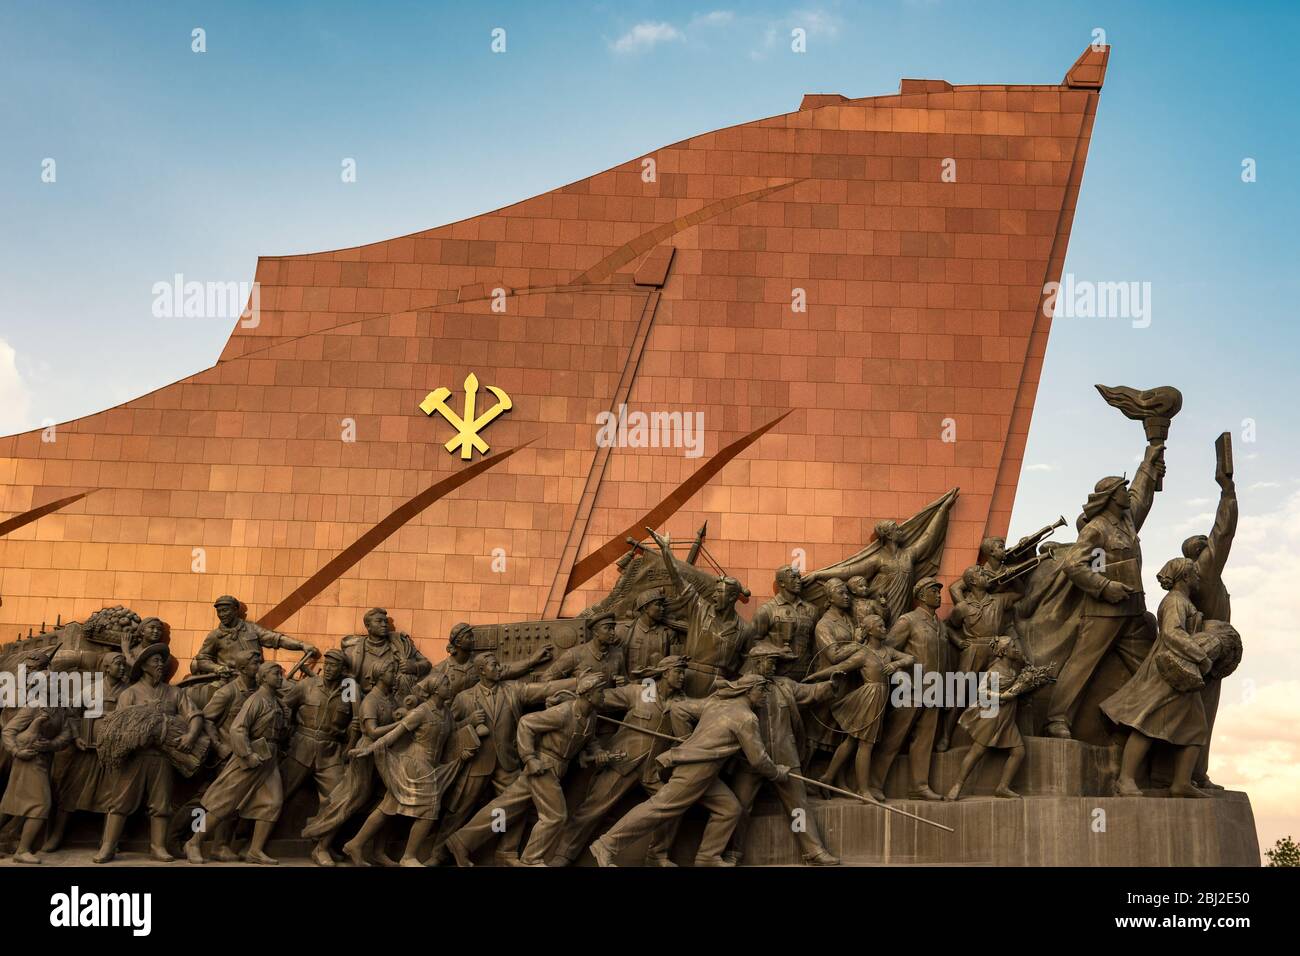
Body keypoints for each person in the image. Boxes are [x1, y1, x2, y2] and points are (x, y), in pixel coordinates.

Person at [589, 674, 789, 868]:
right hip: (696, 769)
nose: (765, 694)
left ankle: (707, 857)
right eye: (761, 689)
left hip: (705, 772)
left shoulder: (716, 703)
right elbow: (759, 760)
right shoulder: (746, 718)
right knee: (658, 807)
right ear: (748, 690)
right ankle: (607, 844)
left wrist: (689, 743)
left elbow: (679, 709)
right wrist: (778, 773)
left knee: (729, 809)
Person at [1044, 444, 1164, 739]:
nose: (1127, 494)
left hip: (1133, 608)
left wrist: (1150, 458)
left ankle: (1150, 719)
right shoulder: (1096, 528)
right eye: (1122, 490)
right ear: (1111, 497)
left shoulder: (1126, 521)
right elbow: (1074, 565)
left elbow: (1141, 494)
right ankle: (1056, 719)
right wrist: (1104, 586)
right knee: (1084, 663)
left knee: (1150, 667)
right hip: (1105, 609)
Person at [446, 674, 618, 867]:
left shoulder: (591, 716)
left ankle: (461, 841)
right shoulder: (562, 712)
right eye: (600, 691)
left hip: (558, 768)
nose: (604, 695)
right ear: (588, 694)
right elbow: (527, 723)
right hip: (543, 767)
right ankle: (531, 859)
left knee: (505, 808)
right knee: (555, 816)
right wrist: (529, 758)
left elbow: (590, 740)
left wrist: (598, 753)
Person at [426, 653, 577, 865]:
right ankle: (439, 854)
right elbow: (447, 730)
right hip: (476, 764)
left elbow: (543, 690)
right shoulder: (464, 698)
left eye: (498, 665)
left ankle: (506, 852)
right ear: (481, 671)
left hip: (507, 763)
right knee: (458, 810)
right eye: (493, 665)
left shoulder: (512, 689)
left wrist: (578, 682)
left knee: (512, 810)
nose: (499, 668)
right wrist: (468, 721)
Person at [550, 655, 690, 866]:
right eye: (678, 671)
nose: (682, 676)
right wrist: (568, 699)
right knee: (592, 810)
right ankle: (563, 856)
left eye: (683, 672)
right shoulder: (637, 692)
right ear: (665, 673)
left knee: (673, 807)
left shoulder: (683, 703)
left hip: (654, 769)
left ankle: (657, 855)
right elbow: (599, 699)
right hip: (622, 762)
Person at [1102, 558, 1214, 798]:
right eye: (1194, 574)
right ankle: (1125, 780)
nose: (1198, 578)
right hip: (1169, 669)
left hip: (1186, 674)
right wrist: (1201, 656)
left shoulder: (1185, 602)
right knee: (1149, 721)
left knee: (1196, 728)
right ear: (1184, 577)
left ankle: (1181, 783)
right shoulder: (1175, 601)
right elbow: (1173, 633)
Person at [724, 642, 841, 866]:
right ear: (757, 662)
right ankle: (732, 852)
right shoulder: (742, 687)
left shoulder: (784, 685)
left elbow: (810, 692)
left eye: (775, 661)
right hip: (751, 758)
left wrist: (830, 684)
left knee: (798, 806)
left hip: (786, 757)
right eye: (770, 661)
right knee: (740, 807)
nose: (773, 666)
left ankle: (813, 851)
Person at [95, 643, 204, 863]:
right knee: (120, 803)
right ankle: (108, 847)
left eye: (162, 661)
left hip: (163, 758)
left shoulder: (175, 692)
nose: (160, 665)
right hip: (135, 758)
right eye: (155, 661)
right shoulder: (130, 693)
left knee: (161, 804)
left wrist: (190, 736)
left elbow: (195, 715)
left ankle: (158, 847)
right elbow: (118, 725)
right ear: (144, 665)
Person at [344, 675, 461, 867]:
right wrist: (368, 749)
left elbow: (454, 737)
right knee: (430, 810)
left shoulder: (446, 712)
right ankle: (409, 857)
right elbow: (393, 735)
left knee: (389, 806)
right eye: (446, 684)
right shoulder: (421, 712)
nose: (450, 686)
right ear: (436, 689)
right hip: (415, 765)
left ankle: (355, 844)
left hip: (430, 765)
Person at [184, 662, 290, 865]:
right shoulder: (256, 700)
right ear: (263, 677)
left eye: (281, 674)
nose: (280, 677)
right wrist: (247, 754)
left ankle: (255, 850)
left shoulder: (275, 701)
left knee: (273, 802)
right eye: (276, 674)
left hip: (269, 759)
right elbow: (238, 729)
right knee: (224, 802)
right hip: (250, 758)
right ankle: (194, 842)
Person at [302, 656, 402, 866]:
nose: (395, 675)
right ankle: (321, 847)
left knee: (385, 803)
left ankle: (378, 851)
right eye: (391, 672)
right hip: (365, 758)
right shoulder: (371, 700)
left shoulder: (389, 699)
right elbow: (371, 731)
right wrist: (402, 724)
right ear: (380, 675)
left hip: (384, 759)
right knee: (349, 802)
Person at [804, 613, 913, 799]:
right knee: (865, 743)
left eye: (883, 625)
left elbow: (910, 658)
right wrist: (814, 677)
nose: (884, 628)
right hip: (868, 698)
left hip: (880, 697)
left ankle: (828, 777)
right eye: (879, 626)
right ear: (869, 631)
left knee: (852, 740)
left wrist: (896, 665)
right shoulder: (863, 654)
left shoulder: (888, 651)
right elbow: (839, 668)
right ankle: (863, 790)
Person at [646, 528, 754, 696]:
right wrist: (666, 550)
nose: (714, 595)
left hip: (719, 687)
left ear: (733, 597)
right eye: (715, 591)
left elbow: (747, 665)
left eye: (720, 592)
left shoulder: (744, 630)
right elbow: (678, 579)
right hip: (690, 678)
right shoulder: (699, 608)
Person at [41, 651, 128, 853]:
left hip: (114, 754)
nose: (122, 668)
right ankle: (56, 836)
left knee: (114, 796)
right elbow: (72, 715)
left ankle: (108, 841)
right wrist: (76, 736)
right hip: (86, 752)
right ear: (106, 668)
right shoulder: (92, 690)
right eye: (118, 664)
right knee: (71, 791)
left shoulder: (128, 693)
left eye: (124, 665)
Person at [869, 578, 948, 800]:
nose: (939, 595)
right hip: (911, 690)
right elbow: (887, 651)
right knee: (894, 738)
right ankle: (874, 784)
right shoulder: (908, 620)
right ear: (922, 596)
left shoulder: (940, 625)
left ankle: (919, 786)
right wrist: (901, 680)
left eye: (939, 591)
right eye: (934, 591)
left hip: (935, 690)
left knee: (924, 741)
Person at [1183, 460, 1236, 789]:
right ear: (1200, 552)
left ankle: (1194, 773)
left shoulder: (1200, 577)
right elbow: (1223, 532)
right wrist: (1227, 491)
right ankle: (1193, 775)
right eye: (1206, 544)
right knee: (1199, 715)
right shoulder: (1205, 570)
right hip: (1207, 649)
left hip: (1207, 650)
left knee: (1200, 715)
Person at [278, 648, 358, 865]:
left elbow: (356, 719)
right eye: (328, 665)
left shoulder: (348, 689)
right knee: (276, 793)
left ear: (343, 670)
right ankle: (245, 839)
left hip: (331, 753)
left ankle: (322, 847)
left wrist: (349, 746)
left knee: (340, 800)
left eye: (335, 666)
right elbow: (284, 707)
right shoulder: (307, 686)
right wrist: (285, 735)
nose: (330, 669)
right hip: (300, 748)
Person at [938, 566, 1022, 752]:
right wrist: (958, 641)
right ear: (973, 581)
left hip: (996, 650)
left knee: (994, 690)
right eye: (981, 573)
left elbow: (1020, 593)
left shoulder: (999, 600)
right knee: (961, 691)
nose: (987, 575)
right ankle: (945, 735)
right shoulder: (962, 607)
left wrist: (1010, 575)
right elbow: (947, 626)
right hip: (973, 649)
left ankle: (987, 737)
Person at [945, 635, 1028, 800]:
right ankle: (957, 785)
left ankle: (1003, 787)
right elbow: (981, 693)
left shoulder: (1013, 669)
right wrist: (1002, 696)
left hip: (1007, 718)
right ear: (1003, 652)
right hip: (992, 716)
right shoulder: (994, 671)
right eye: (1013, 647)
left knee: (1018, 752)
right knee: (977, 751)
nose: (1016, 649)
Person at [0, 703, 75, 863]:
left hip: (44, 762)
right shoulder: (33, 708)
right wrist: (16, 751)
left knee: (11, 804)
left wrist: (51, 745)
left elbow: (66, 735)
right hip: (28, 761)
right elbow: (8, 731)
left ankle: (22, 849)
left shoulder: (61, 710)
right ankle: (23, 850)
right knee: (41, 805)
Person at [192, 595, 317, 678]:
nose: (221, 614)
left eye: (225, 610)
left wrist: (302, 645)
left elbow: (276, 639)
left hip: (258, 677)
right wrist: (217, 668)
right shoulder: (215, 636)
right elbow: (202, 660)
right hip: (231, 679)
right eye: (219, 611)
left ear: (236, 610)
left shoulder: (251, 628)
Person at [340, 607, 430, 698]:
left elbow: (426, 663)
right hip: (363, 700)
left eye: (386, 622)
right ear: (368, 626)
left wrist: (414, 667)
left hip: (394, 700)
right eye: (379, 621)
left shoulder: (401, 644)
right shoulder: (352, 652)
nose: (384, 625)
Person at [749, 565, 820, 678]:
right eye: (793, 578)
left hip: (806, 674)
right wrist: (776, 651)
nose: (798, 581)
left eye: (799, 578)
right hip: (777, 673)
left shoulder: (812, 610)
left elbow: (816, 646)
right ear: (781, 582)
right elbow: (753, 641)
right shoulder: (766, 610)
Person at [542, 610, 628, 685]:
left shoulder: (618, 654)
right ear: (596, 632)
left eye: (613, 628)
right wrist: (577, 682)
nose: (613, 633)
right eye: (608, 629)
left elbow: (623, 681)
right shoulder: (574, 655)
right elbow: (545, 679)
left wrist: (624, 682)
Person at [618, 589, 683, 674]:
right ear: (645, 608)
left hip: (657, 684)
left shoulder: (669, 633)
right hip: (631, 685)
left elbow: (675, 665)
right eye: (658, 605)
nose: (662, 609)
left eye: (662, 605)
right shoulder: (624, 631)